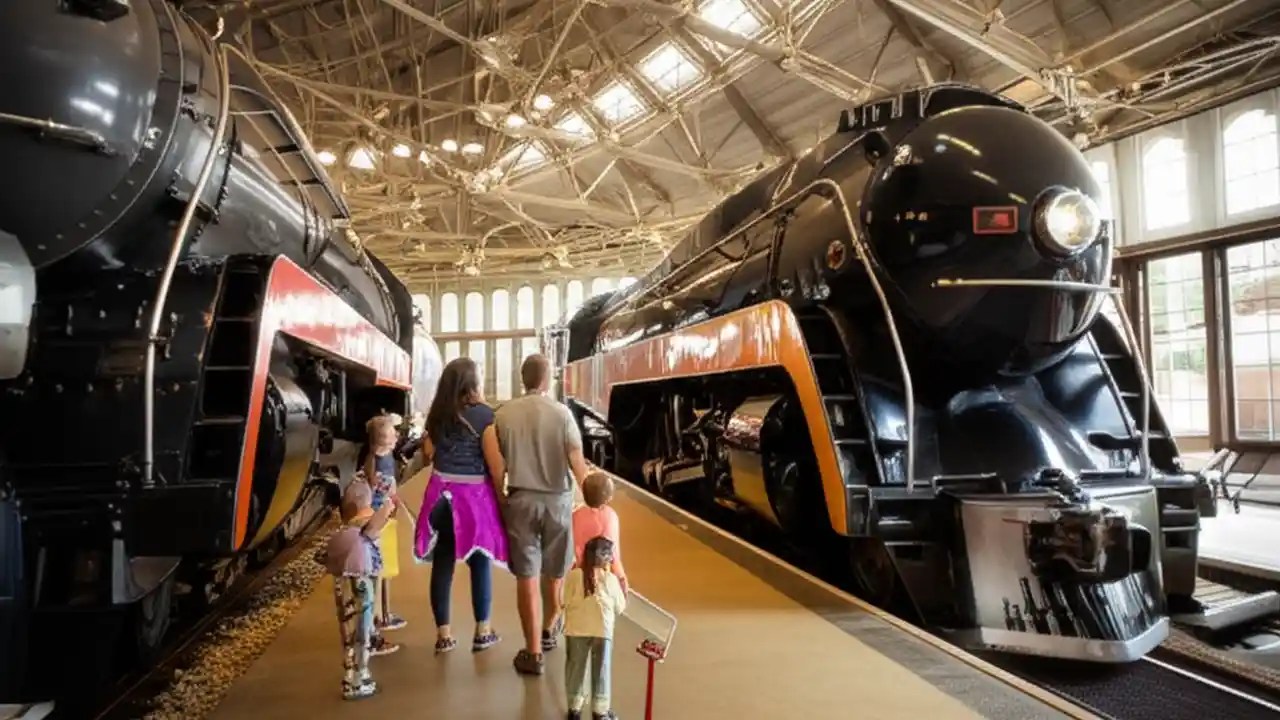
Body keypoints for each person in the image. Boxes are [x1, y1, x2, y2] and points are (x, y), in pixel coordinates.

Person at [494, 353, 591, 676]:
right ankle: (550, 626)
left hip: (521, 499)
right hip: (558, 503)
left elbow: (498, 468)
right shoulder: (562, 414)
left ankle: (532, 651)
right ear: (547, 380)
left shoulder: (504, 415)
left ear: (523, 378)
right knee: (556, 571)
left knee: (527, 576)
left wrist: (500, 499)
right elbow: (577, 460)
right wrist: (594, 497)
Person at [414, 357, 509, 654]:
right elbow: (495, 467)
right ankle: (483, 631)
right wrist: (503, 501)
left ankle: (444, 635)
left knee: (442, 563)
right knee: (479, 561)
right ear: (472, 383)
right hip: (473, 500)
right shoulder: (483, 416)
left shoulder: (438, 415)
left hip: (440, 496)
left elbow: (428, 454)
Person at [322, 480, 401, 700]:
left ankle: (349, 674)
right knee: (362, 631)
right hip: (363, 584)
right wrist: (387, 505)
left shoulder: (342, 535)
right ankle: (358, 678)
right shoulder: (365, 528)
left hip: (344, 587)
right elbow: (375, 524)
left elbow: (324, 558)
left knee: (348, 632)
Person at [562, 536, 626, 720]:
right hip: (602, 630)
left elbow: (562, 601)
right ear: (607, 560)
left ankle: (574, 708)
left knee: (575, 668)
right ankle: (600, 711)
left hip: (576, 629)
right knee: (601, 670)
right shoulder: (611, 579)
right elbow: (620, 608)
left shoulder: (574, 576)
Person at [362, 415, 407, 648]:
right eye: (392, 433)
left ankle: (383, 616)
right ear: (381, 440)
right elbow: (382, 489)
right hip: (379, 522)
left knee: (384, 568)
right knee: (378, 570)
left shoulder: (382, 457)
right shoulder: (377, 462)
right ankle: (378, 620)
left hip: (383, 519)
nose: (397, 436)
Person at [572, 472, 627, 593]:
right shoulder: (611, 516)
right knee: (620, 579)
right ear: (608, 498)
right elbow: (614, 552)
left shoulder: (576, 515)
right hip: (607, 570)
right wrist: (621, 579)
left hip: (581, 568)